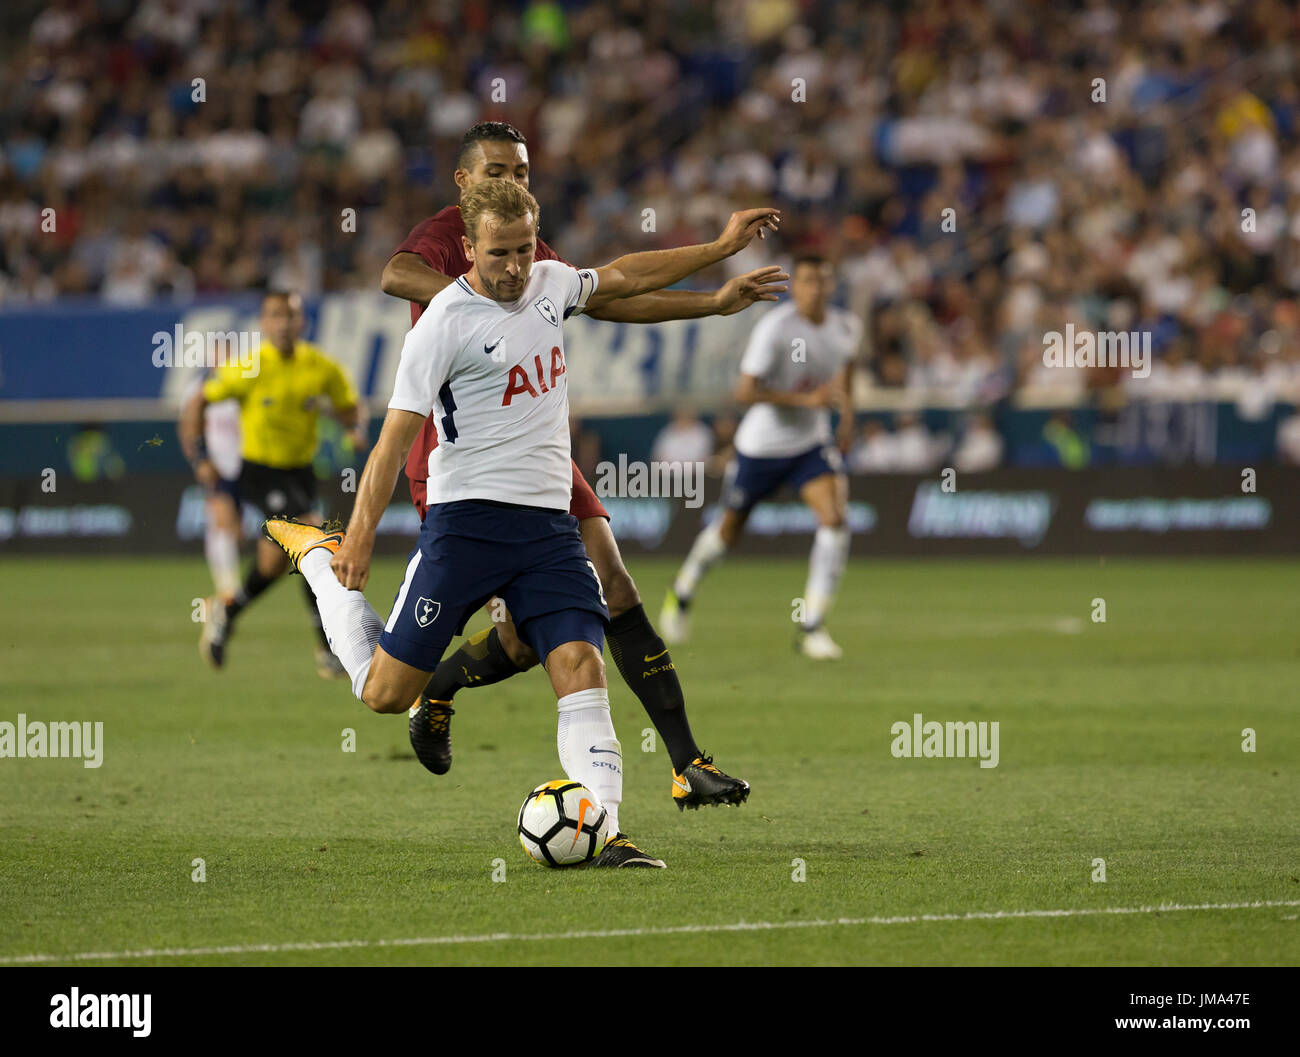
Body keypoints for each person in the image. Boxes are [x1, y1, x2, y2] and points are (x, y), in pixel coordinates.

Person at [264, 182, 779, 867]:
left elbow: (624, 275)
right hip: (463, 529)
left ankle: (608, 832)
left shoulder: (550, 283)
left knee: (579, 662)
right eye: (498, 253)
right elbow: (391, 443)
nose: (513, 266)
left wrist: (717, 256)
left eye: (524, 249)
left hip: (546, 530)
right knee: (387, 694)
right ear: (469, 249)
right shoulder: (443, 322)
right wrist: (358, 536)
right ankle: (323, 565)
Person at [381, 122, 784, 808]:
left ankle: (687, 764)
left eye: (523, 172)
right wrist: (473, 296)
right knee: (529, 633)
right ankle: (439, 684)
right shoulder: (453, 234)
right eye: (498, 170)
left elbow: (608, 295)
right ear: (463, 182)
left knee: (615, 587)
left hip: (540, 448)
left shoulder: (526, 244)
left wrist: (712, 301)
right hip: (466, 458)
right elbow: (394, 275)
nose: (511, 182)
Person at [662, 255, 862, 660]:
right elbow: (745, 392)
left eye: (823, 280)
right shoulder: (776, 329)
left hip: (810, 443)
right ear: (797, 286)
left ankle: (812, 627)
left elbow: (847, 369)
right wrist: (807, 400)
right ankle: (682, 593)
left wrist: (847, 417)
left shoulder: (846, 326)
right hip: (762, 446)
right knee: (727, 533)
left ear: (831, 286)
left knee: (835, 520)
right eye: (808, 280)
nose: (816, 288)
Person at [180, 290, 367, 676]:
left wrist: (353, 428)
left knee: (271, 565)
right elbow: (198, 402)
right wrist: (201, 458)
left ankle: (226, 612)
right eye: (275, 316)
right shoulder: (248, 367)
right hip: (261, 471)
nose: (283, 323)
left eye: (291, 316)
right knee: (313, 539)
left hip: (300, 473)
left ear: (303, 323)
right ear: (263, 324)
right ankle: (327, 647)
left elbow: (348, 404)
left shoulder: (321, 367)